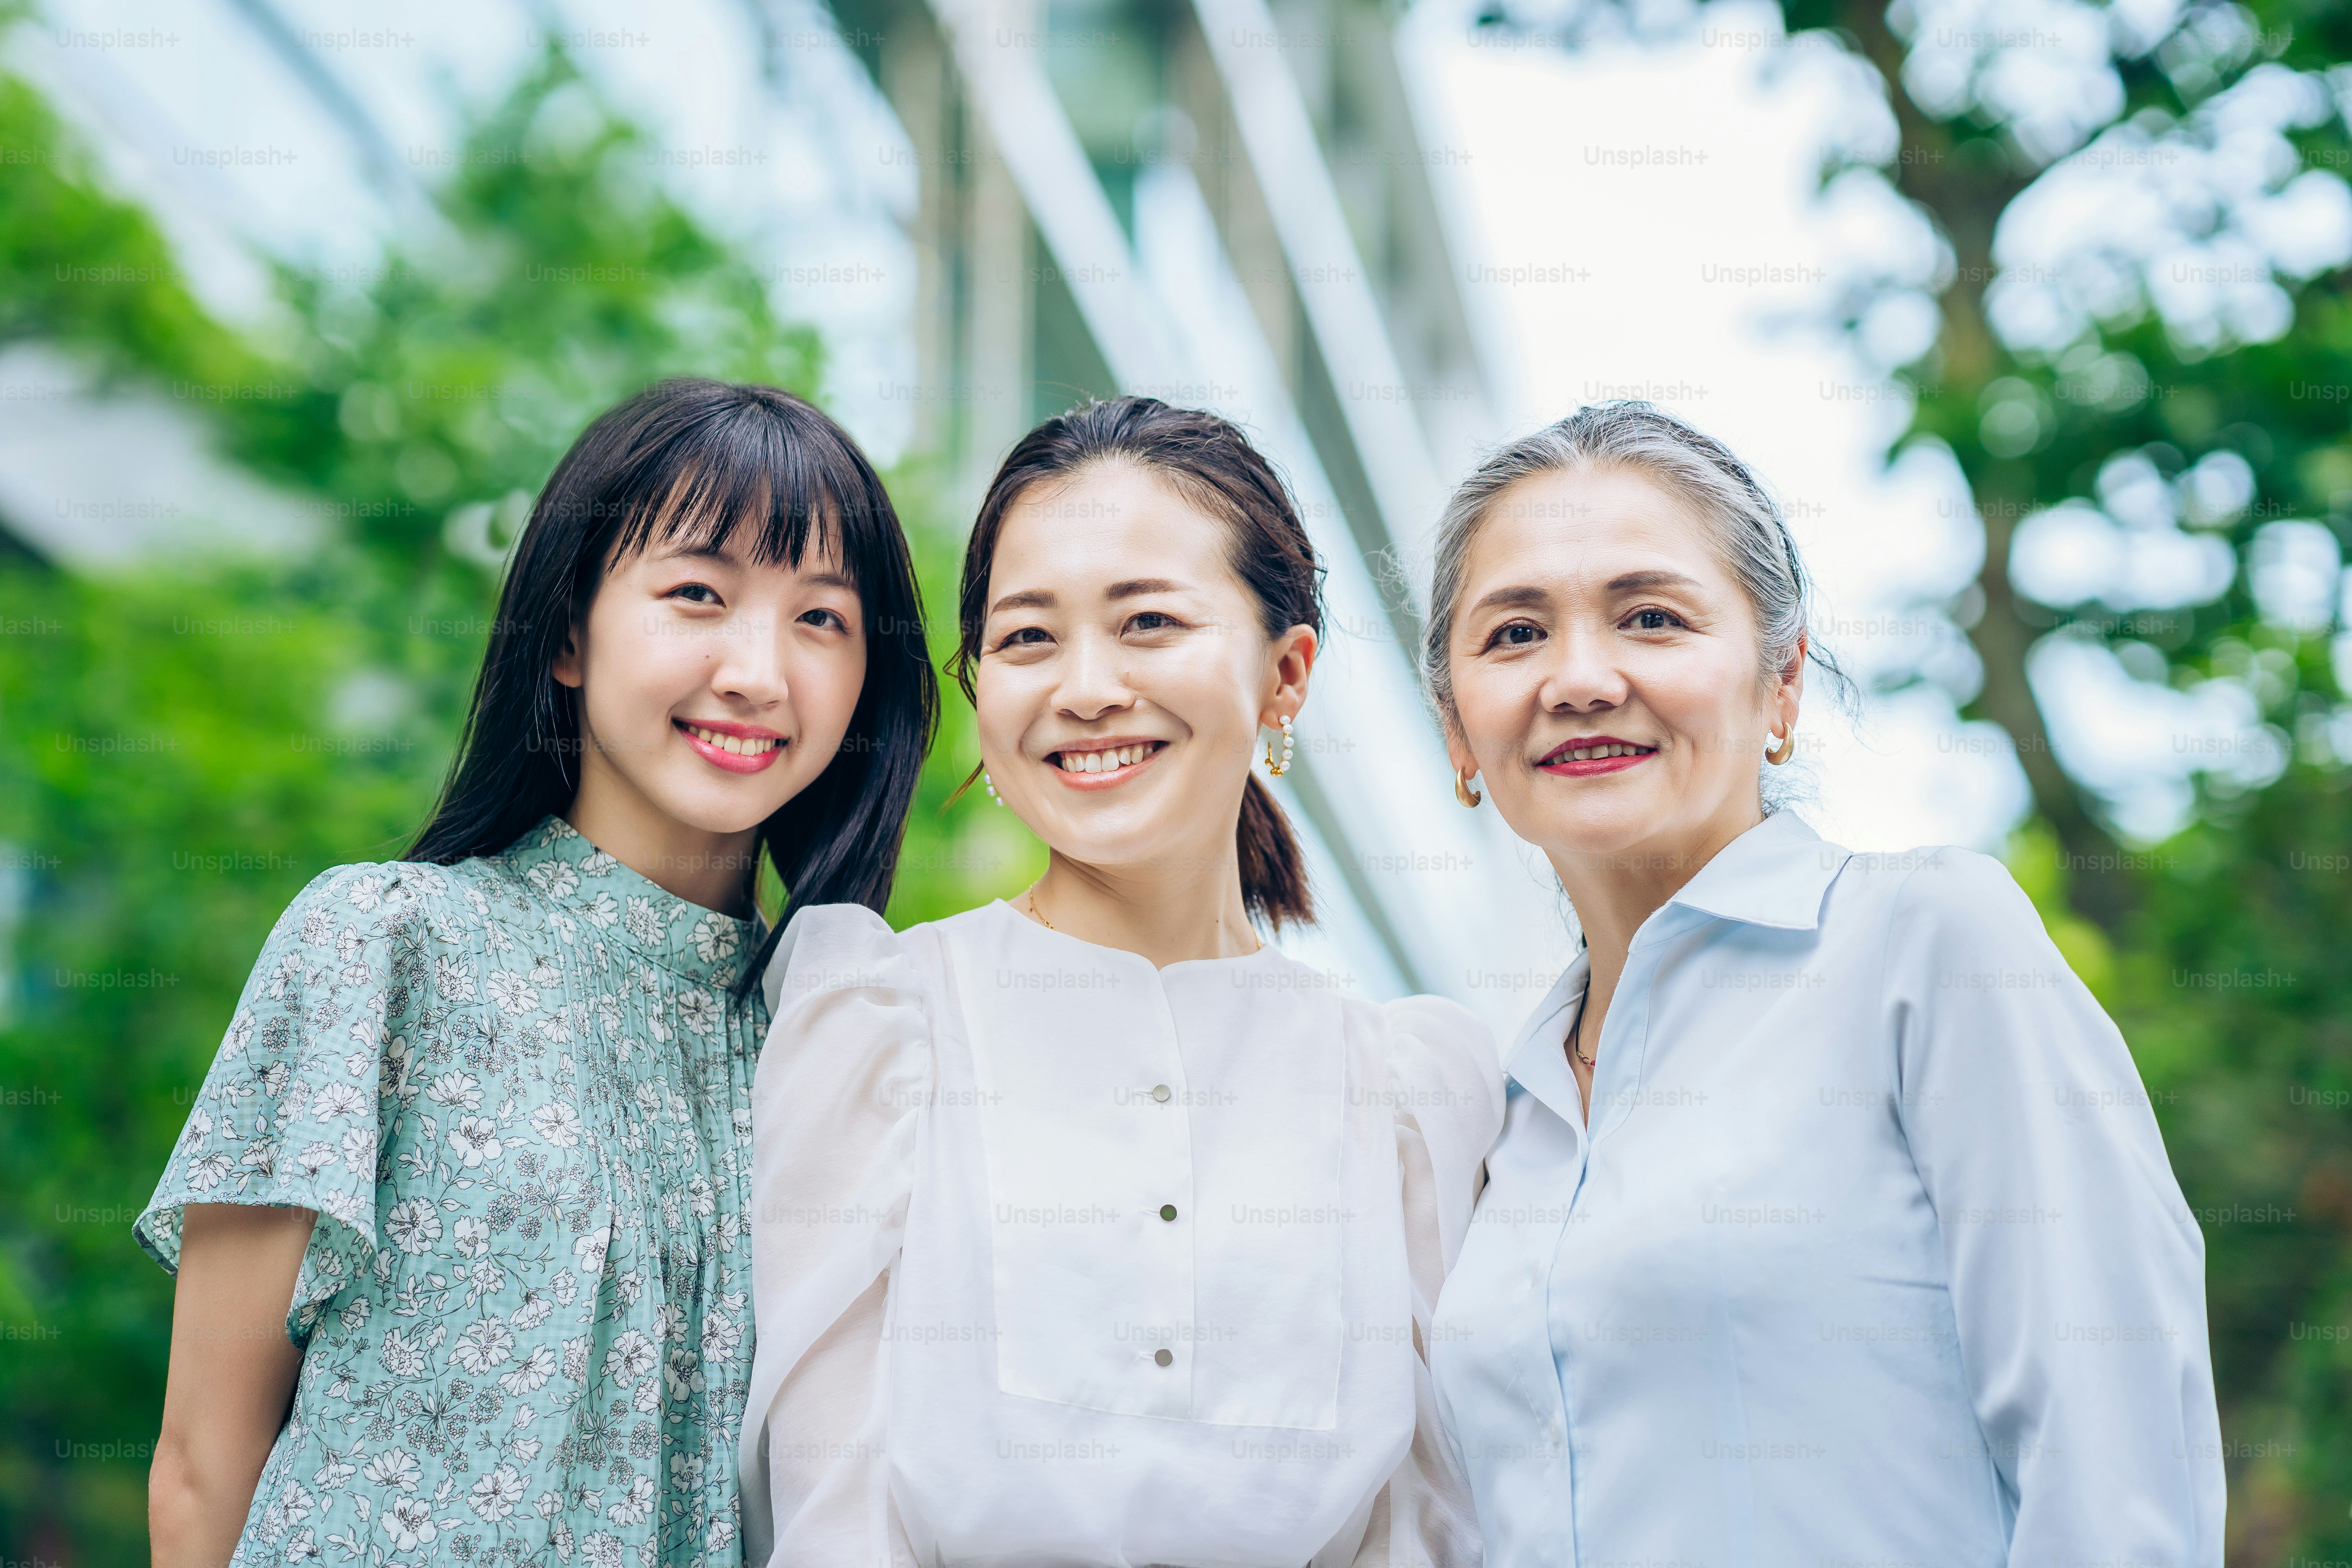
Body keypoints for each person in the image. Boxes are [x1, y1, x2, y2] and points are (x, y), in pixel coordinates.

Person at [139, 378, 938, 1568]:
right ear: (568, 635)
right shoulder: (385, 945)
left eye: (822, 619)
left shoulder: (837, 1044)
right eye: (697, 596)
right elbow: (205, 1462)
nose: (759, 673)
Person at [1420, 401, 2225, 1565]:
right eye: (1513, 636)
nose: (1580, 679)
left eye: (1651, 617)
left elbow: (2117, 1471)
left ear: (1783, 682)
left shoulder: (1925, 946)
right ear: (1457, 728)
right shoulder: (1501, 1114)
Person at [735, 396, 1501, 1567]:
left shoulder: (1409, 1088)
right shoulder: (881, 1023)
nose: (1086, 688)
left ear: (1284, 674)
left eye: (1148, 622)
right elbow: (828, 1515)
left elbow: (1436, 1526)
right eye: (1029, 638)